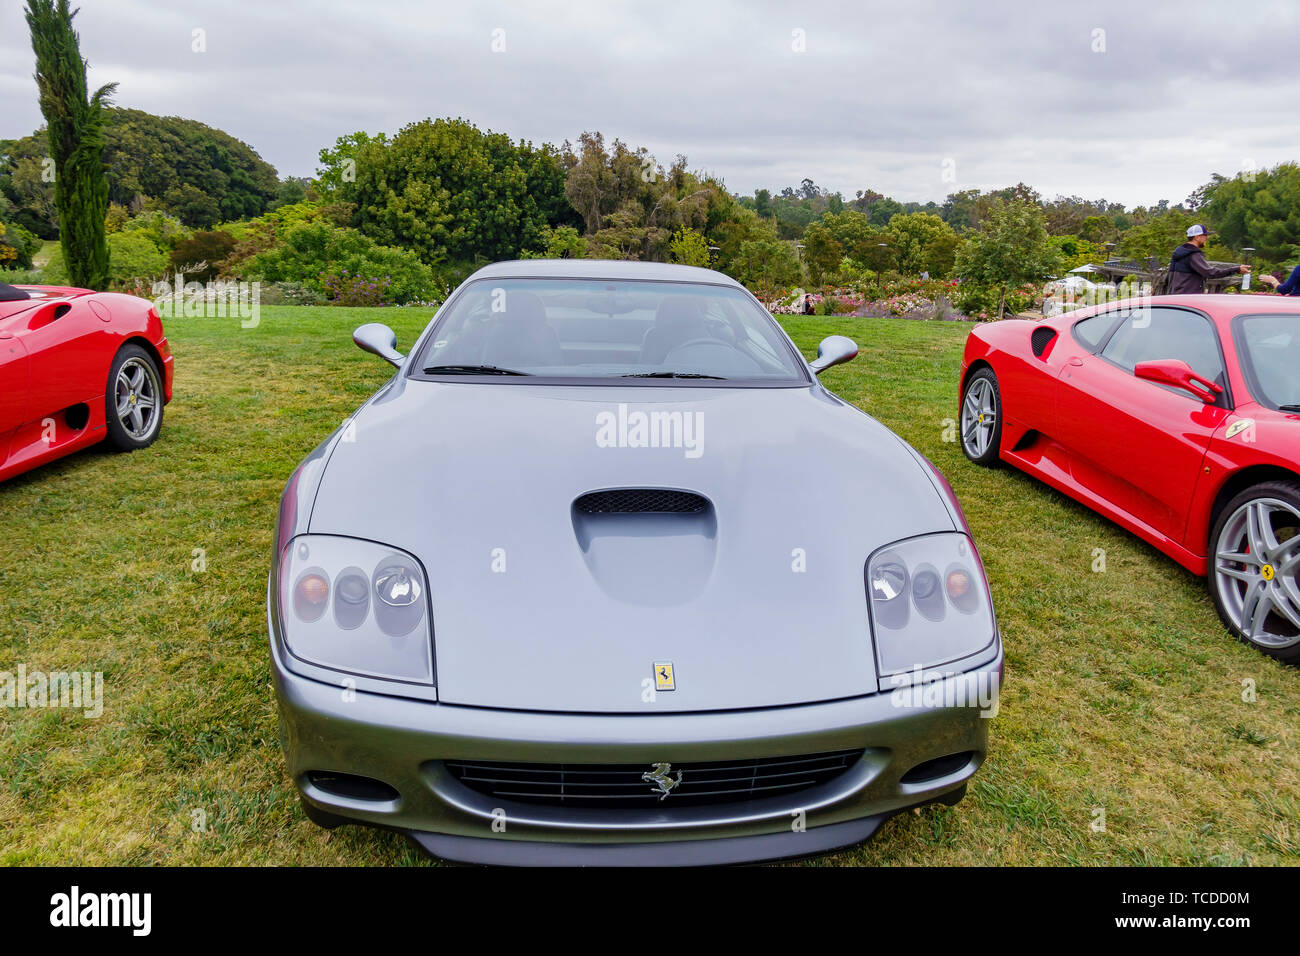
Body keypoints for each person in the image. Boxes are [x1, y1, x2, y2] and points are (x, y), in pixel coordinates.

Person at [1166, 224, 1249, 294]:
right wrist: (1237, 269)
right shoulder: (1193, 254)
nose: (1207, 238)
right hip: (1188, 299)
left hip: (1175, 298)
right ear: (1197, 237)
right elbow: (1211, 273)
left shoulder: (1179, 253)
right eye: (1205, 235)